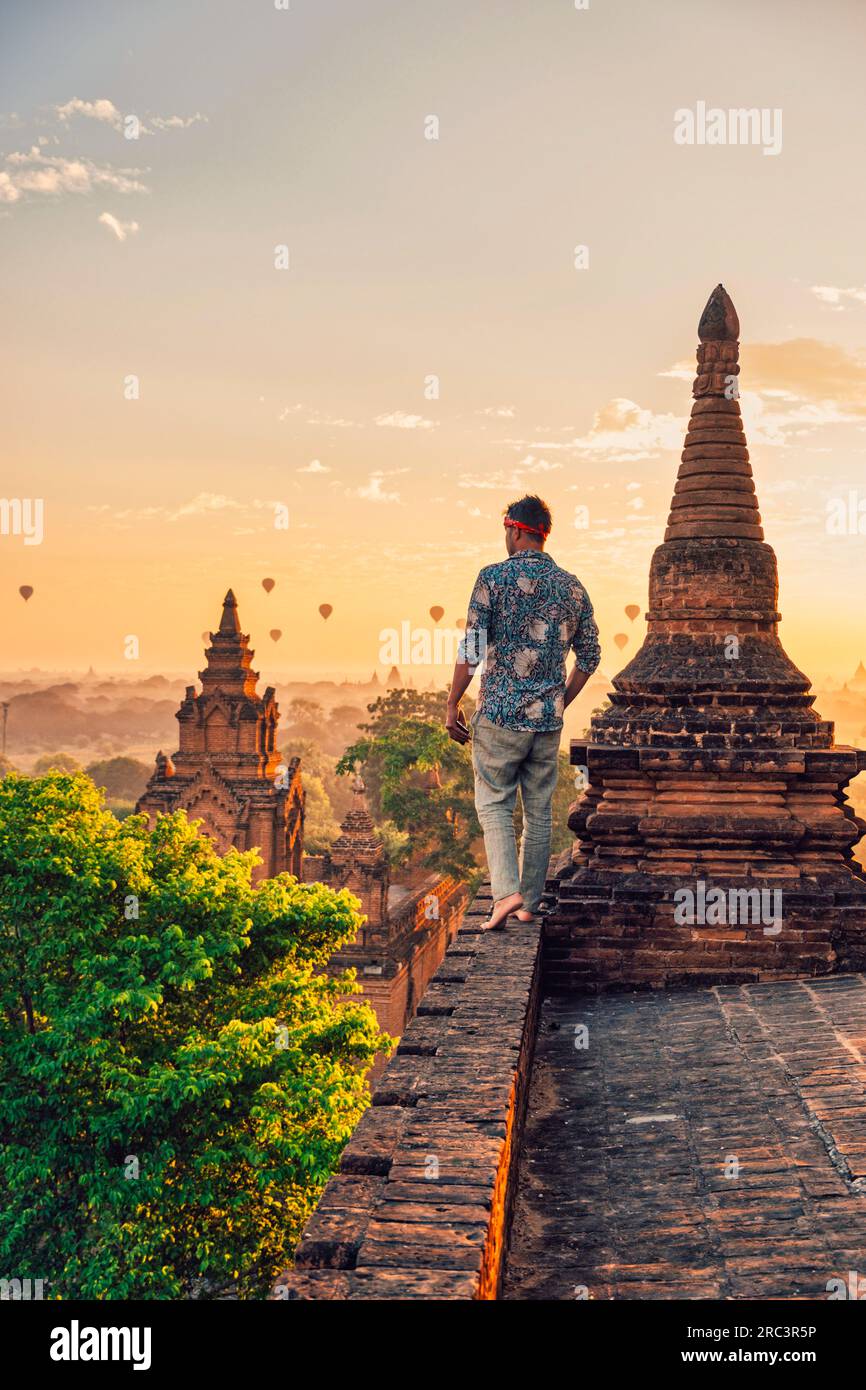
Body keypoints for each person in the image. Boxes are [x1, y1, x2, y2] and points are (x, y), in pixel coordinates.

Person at [445, 495, 600, 931]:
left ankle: (505, 893)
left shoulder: (492, 578)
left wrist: (451, 702)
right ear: (542, 533)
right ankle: (529, 903)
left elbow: (472, 649)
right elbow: (589, 656)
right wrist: (560, 700)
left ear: (515, 531)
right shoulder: (571, 587)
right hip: (546, 722)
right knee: (538, 812)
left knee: (494, 805)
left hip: (498, 715)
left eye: (506, 532)